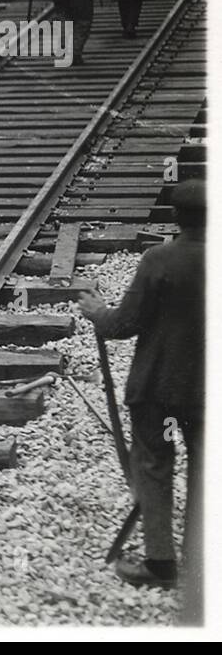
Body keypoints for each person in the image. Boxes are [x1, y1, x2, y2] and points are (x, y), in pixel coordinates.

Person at [78, 180, 204, 610]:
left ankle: (161, 563)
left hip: (160, 392)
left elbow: (122, 325)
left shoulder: (159, 260)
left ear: (175, 217)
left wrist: (97, 311)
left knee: (153, 467)